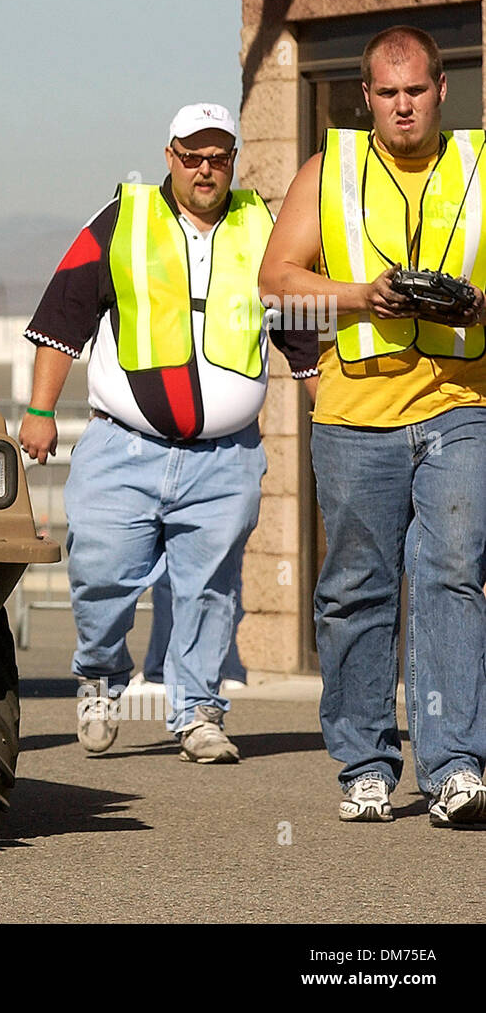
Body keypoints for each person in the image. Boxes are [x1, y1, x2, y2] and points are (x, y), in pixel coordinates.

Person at [19, 103, 319, 762]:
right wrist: (40, 410)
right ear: (169, 156)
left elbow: (302, 339)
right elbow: (60, 316)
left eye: (219, 157)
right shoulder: (124, 217)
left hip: (226, 457)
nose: (206, 169)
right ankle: (100, 672)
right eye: (193, 156)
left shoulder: (262, 225)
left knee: (210, 588)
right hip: (122, 448)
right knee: (99, 574)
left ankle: (198, 713)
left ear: (234, 162)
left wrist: (333, 419)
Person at [260, 26, 486, 827]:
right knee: (357, 587)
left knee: (454, 571)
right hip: (356, 412)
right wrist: (364, 296)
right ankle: (364, 764)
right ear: (365, 97)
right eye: (387, 93)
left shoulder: (479, 166)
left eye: (415, 91)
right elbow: (278, 287)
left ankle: (456, 765)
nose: (402, 106)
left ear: (442, 91)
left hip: (460, 403)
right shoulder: (330, 171)